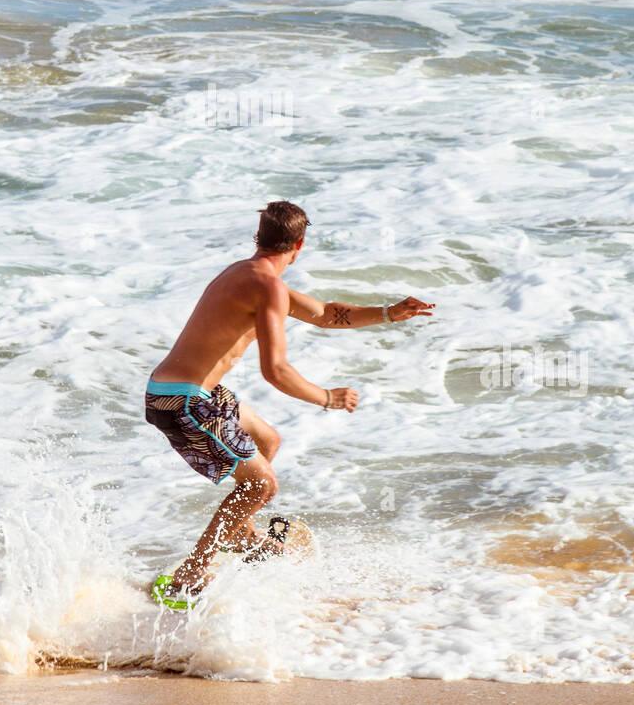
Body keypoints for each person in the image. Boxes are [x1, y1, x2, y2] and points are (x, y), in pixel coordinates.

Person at [145, 200, 434, 596]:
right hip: (184, 402)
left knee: (268, 440)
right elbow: (275, 370)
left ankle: (236, 531)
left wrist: (389, 312)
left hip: (189, 393)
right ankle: (189, 576)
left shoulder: (246, 274)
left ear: (258, 237)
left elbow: (326, 313)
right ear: (299, 246)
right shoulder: (267, 286)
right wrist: (327, 397)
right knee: (262, 487)